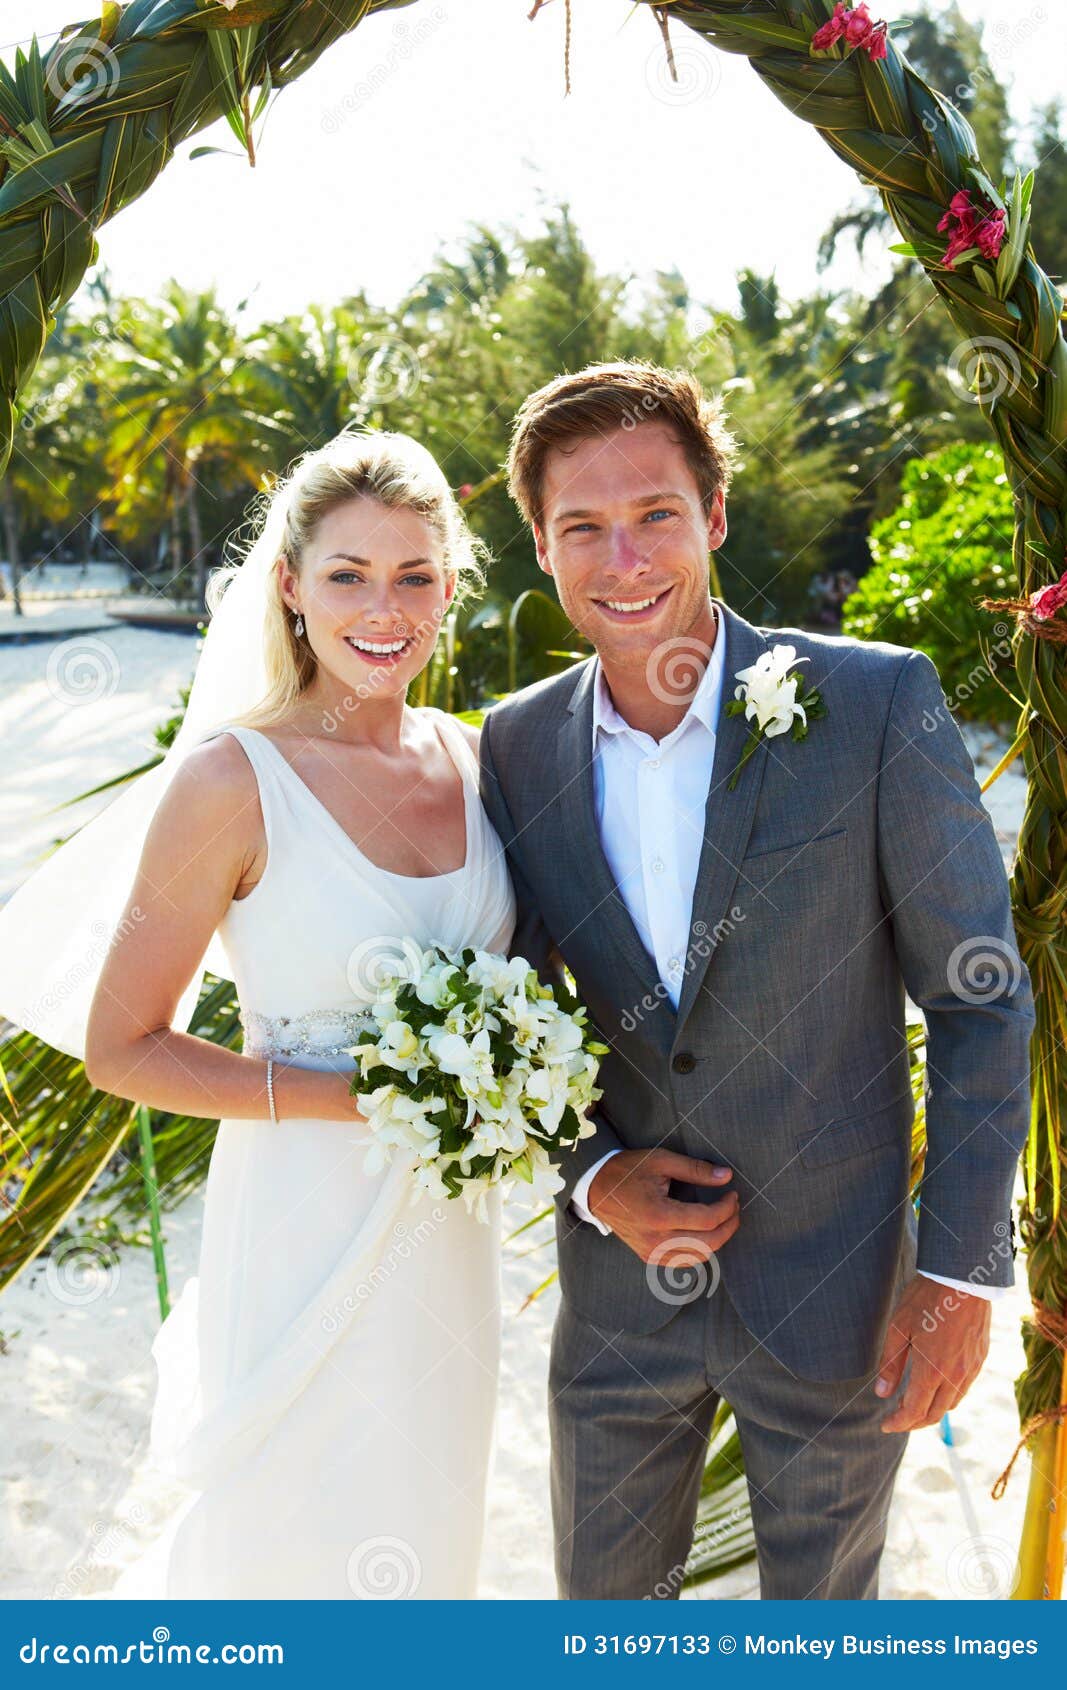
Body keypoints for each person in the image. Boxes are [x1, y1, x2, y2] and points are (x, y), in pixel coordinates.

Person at [478, 360, 1034, 1600]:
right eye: (583, 528)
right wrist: (588, 1177)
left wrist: (951, 1278)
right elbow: (512, 1018)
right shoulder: (513, 746)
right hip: (617, 1304)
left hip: (838, 1300)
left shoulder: (874, 701)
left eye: (654, 515)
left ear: (714, 517)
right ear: (541, 546)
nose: (623, 560)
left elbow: (977, 998)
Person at [0, 430, 516, 1599]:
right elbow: (119, 1047)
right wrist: (364, 1097)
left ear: (450, 583)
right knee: (293, 1532)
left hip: (449, 1236)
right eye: (346, 574)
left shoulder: (483, 761)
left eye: (413, 576)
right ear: (287, 585)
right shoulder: (233, 781)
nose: (382, 609)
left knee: (429, 1525)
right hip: (298, 1217)